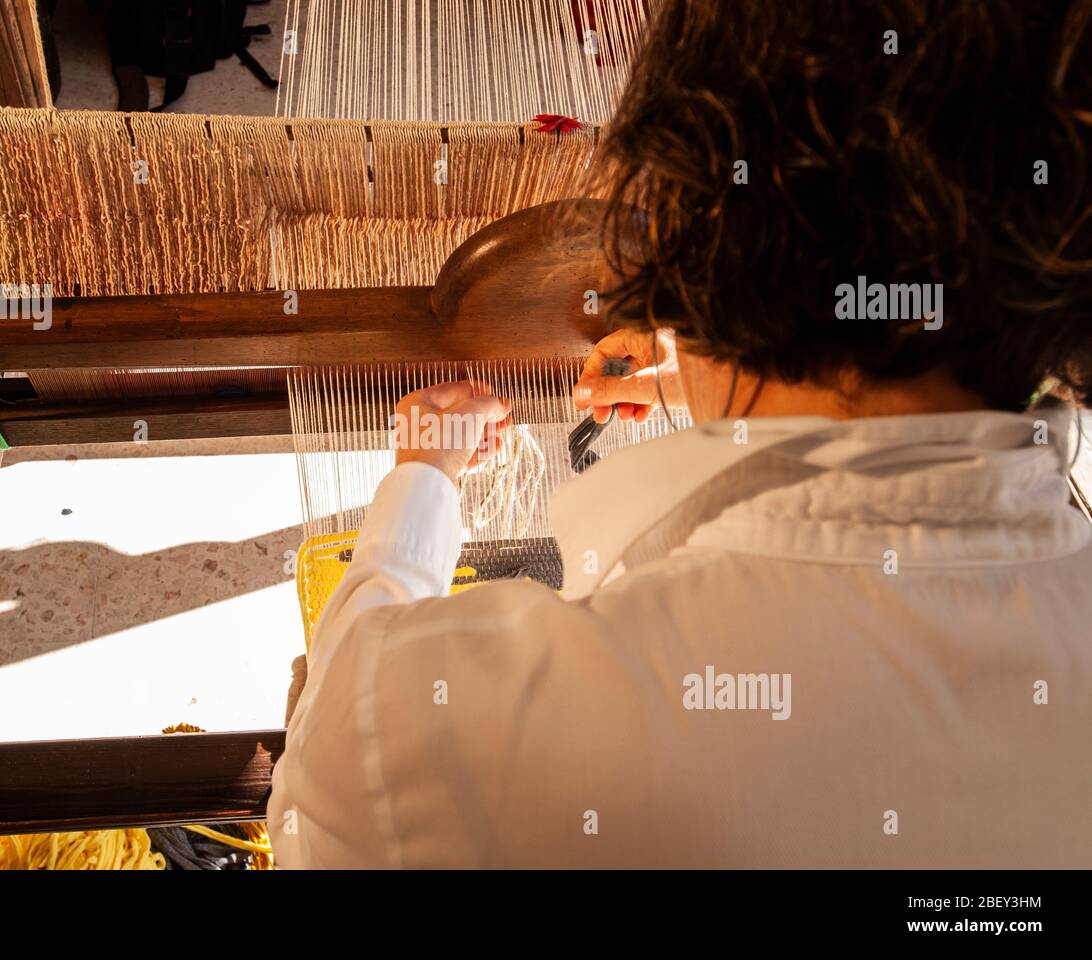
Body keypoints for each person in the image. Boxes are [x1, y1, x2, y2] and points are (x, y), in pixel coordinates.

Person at [267, 0, 1092, 867]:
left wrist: (423, 474)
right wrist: (714, 377)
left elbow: (330, 772)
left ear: (693, 226)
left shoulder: (481, 731)